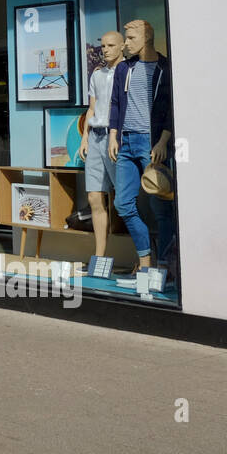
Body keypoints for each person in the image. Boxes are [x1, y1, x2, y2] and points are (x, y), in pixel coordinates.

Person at [108, 19, 176, 277]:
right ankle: (145, 257)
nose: (126, 44)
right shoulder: (124, 68)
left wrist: (162, 141)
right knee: (123, 203)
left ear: (146, 38)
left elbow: (171, 106)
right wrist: (114, 135)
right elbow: (115, 103)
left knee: (161, 207)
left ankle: (165, 264)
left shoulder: (165, 67)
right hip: (125, 143)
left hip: (152, 144)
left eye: (131, 38)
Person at [77, 31, 125, 259]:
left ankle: (144, 259)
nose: (105, 49)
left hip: (115, 138)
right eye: (103, 45)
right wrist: (84, 137)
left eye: (110, 45)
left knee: (125, 200)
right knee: (94, 197)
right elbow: (91, 109)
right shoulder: (96, 75)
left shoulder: (127, 72)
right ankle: (100, 257)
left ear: (122, 46)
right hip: (95, 136)